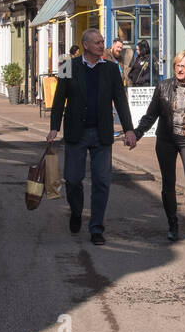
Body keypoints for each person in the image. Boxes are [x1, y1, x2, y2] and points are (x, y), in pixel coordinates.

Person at [47, 28, 137, 245]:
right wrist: (54, 128)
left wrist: (129, 129)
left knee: (102, 182)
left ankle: (97, 228)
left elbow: (121, 101)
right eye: (97, 42)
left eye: (102, 41)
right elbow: (59, 99)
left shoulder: (111, 70)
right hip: (76, 133)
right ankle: (77, 212)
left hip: (102, 133)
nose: (101, 45)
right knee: (73, 179)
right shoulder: (69, 66)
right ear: (85, 45)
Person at [134, 50, 185, 245]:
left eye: (184, 66)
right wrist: (137, 133)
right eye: (177, 65)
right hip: (166, 141)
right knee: (168, 183)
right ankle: (173, 225)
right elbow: (151, 114)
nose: (179, 69)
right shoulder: (163, 86)